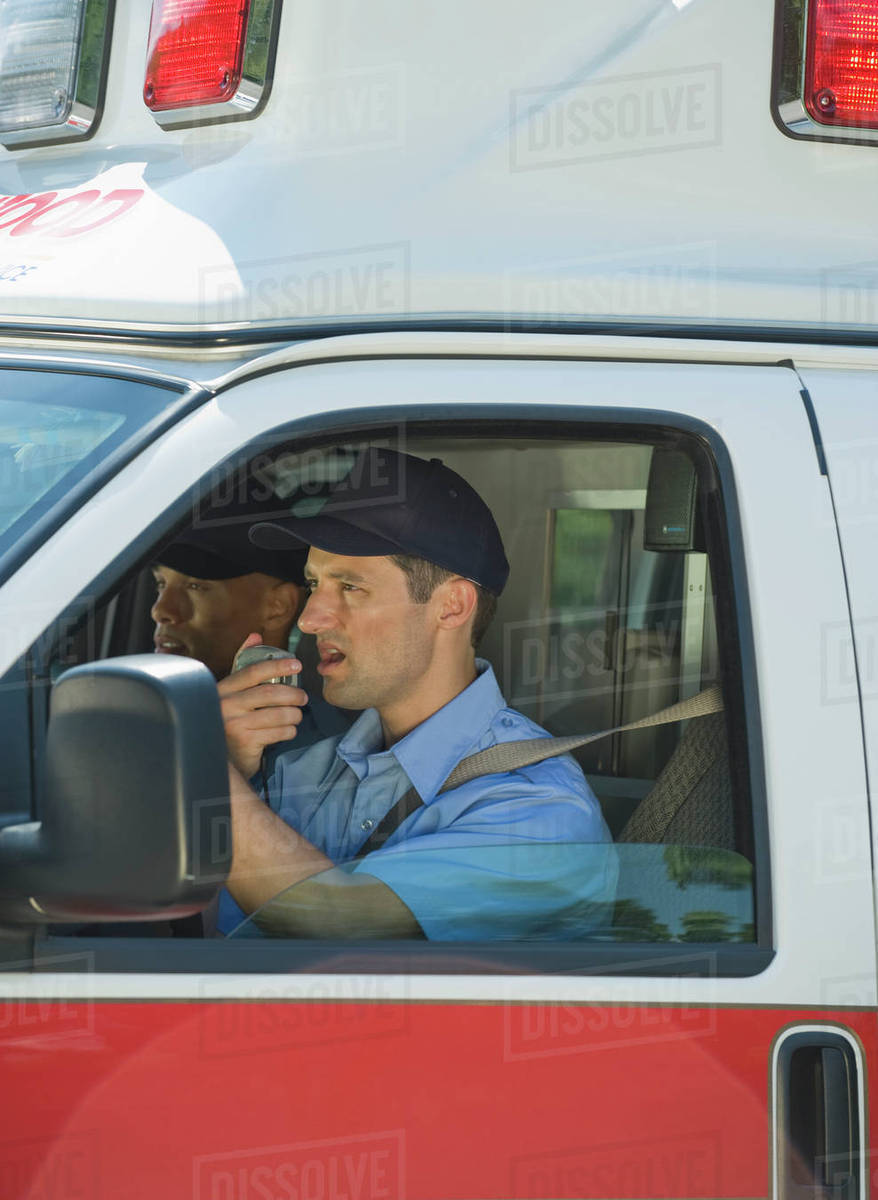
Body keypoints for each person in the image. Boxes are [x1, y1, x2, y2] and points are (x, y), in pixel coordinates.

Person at [218, 447, 616, 940]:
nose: (309, 618)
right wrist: (233, 766)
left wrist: (204, 769)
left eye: (350, 587)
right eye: (313, 583)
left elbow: (333, 922)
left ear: (451, 607)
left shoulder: (540, 812)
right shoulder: (304, 769)